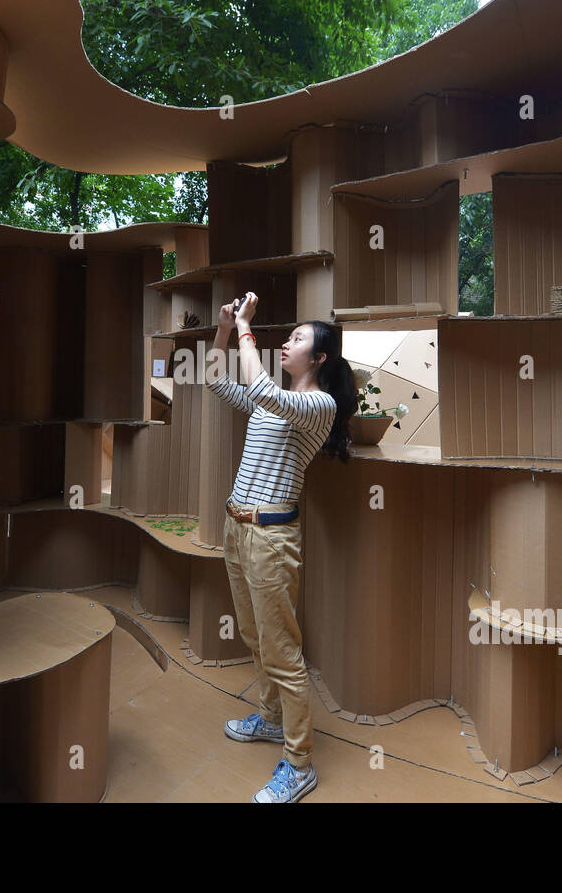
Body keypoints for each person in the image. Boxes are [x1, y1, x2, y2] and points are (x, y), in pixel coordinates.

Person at [205, 291, 357, 802]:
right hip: (237, 527)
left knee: (283, 650)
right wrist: (223, 329)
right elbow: (215, 380)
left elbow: (263, 390)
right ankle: (271, 718)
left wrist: (246, 327)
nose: (287, 344)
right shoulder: (272, 399)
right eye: (287, 336)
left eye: (297, 339)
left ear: (319, 358)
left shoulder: (317, 405)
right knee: (254, 635)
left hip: (272, 538)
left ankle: (299, 763)